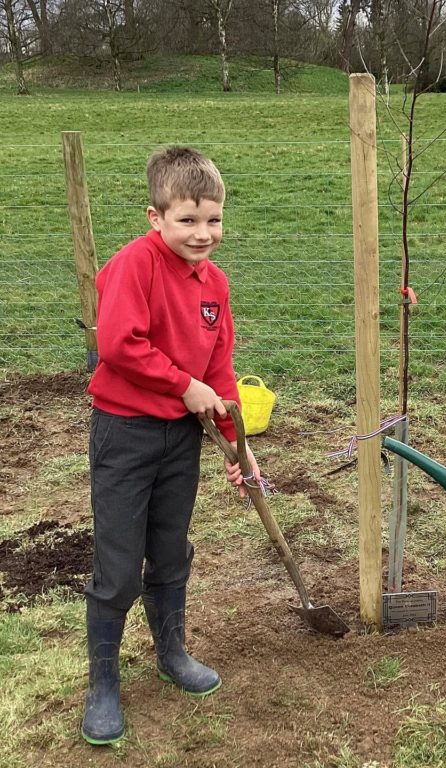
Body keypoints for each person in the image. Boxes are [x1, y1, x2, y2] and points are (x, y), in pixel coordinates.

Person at [82, 147, 260, 745]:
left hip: (181, 440)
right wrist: (184, 385)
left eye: (213, 219)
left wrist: (239, 451)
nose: (202, 233)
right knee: (118, 565)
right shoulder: (136, 265)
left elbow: (221, 372)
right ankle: (103, 683)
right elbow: (117, 344)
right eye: (187, 220)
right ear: (155, 217)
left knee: (170, 549)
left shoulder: (215, 284)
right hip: (124, 433)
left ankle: (172, 651)